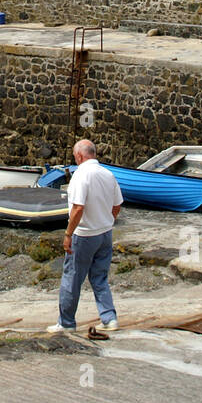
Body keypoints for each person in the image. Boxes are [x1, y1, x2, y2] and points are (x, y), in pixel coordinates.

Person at [50, 139, 123, 334]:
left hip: (84, 235)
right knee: (99, 277)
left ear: (80, 156)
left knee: (72, 278)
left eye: (75, 156)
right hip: (105, 233)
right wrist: (107, 221)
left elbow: (78, 208)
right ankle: (109, 318)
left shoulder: (80, 176)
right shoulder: (108, 174)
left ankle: (66, 322)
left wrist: (68, 234)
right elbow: (117, 205)